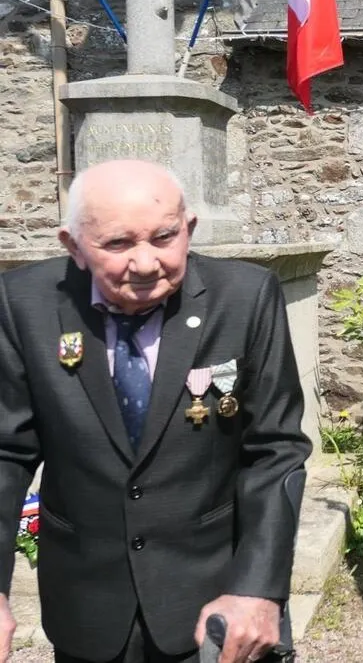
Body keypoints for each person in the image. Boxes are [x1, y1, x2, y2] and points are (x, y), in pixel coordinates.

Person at [0, 160, 312, 663]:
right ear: (73, 246)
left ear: (187, 228)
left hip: (214, 604)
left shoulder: (245, 297)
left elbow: (275, 451)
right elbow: (5, 452)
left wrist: (258, 588)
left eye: (164, 238)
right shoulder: (23, 304)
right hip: (88, 607)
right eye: (118, 244)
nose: (145, 264)